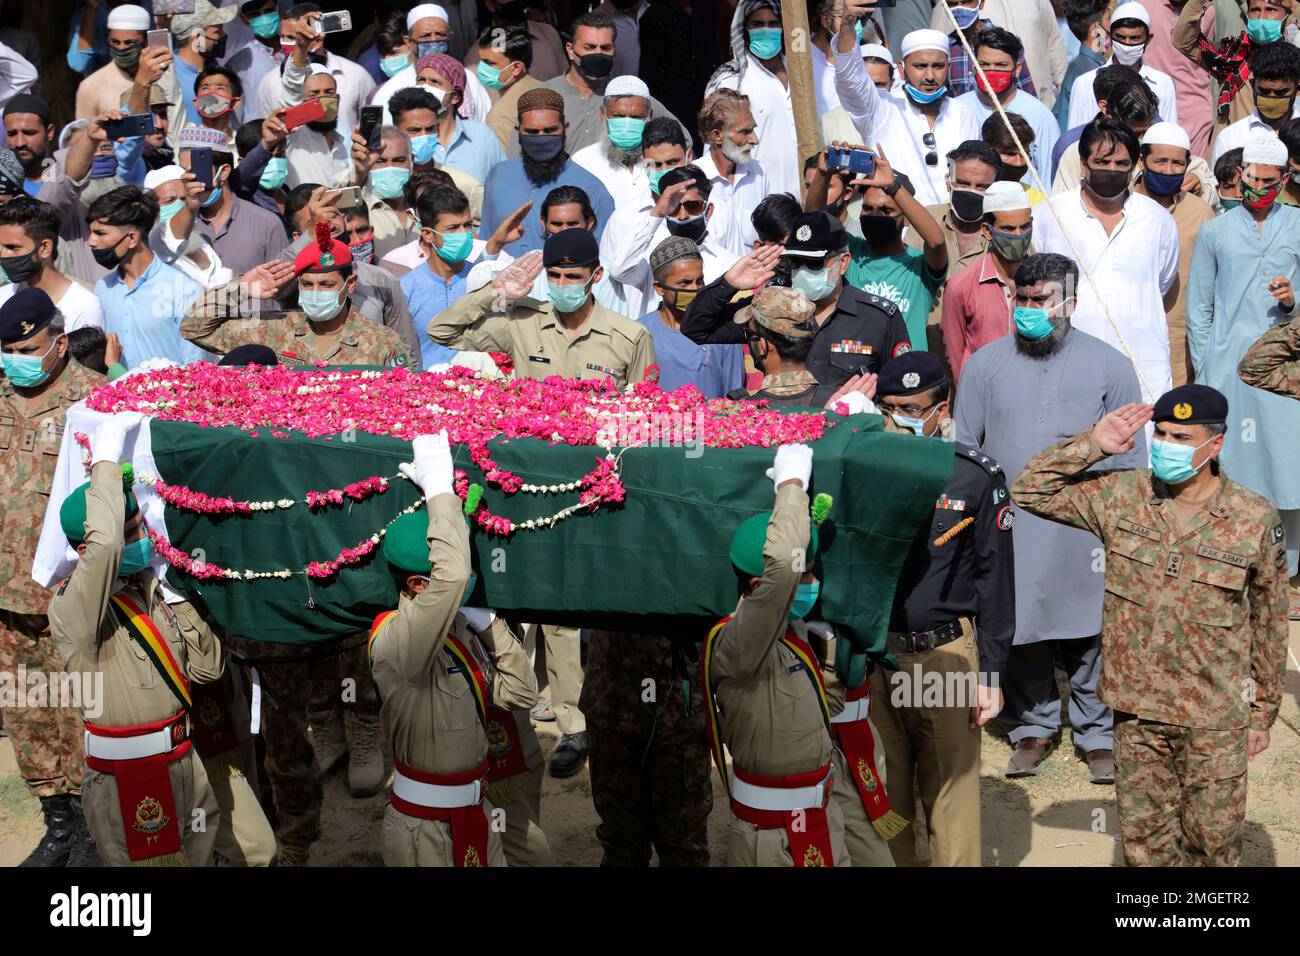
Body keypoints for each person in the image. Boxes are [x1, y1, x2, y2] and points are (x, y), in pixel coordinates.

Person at [1011, 386, 1288, 865]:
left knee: (1214, 842)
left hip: (1216, 715)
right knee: (1144, 843)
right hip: (1138, 711)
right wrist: (1094, 444)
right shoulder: (1124, 496)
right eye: (1159, 433)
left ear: (1215, 444)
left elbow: (1269, 620)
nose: (1164, 444)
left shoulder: (1253, 518)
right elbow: (1030, 489)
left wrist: (1261, 713)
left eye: (1181, 436)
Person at [956, 252, 1145, 780]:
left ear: (1071, 303)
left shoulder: (1110, 365)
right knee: (1019, 625)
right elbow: (967, 450)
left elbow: (1131, 462)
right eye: (1022, 298)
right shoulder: (984, 365)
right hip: (1009, 525)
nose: (1029, 309)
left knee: (1091, 629)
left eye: (1042, 300)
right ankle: (1034, 726)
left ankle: (1098, 733)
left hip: (1084, 531)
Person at [50, 412, 224, 866]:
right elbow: (106, 543)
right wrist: (105, 459)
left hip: (185, 761)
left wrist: (176, 594)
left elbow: (208, 668)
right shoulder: (74, 607)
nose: (141, 538)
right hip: (133, 776)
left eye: (141, 526)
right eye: (131, 533)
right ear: (86, 551)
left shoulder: (148, 588)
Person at [873, 350, 1015, 866]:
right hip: (875, 658)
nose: (900, 419)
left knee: (950, 803)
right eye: (889, 407)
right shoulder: (864, 466)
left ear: (943, 406)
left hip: (943, 657)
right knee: (882, 804)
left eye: (912, 407)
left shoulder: (973, 477)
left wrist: (993, 673)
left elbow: (995, 580)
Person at [369, 434, 536, 867]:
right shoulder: (397, 641)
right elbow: (455, 573)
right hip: (423, 829)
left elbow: (520, 694)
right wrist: (439, 488)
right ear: (417, 586)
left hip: (475, 812)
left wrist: (488, 624)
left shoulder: (459, 630)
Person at [703, 441, 849, 866]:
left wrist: (837, 658)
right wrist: (791, 484)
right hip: (771, 836)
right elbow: (784, 563)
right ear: (756, 589)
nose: (809, 582)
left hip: (821, 816)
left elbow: (820, 714)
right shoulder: (737, 644)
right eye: (805, 576)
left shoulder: (794, 633)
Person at [0, 289, 105, 867]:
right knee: (27, 712)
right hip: (5, 596)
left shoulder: (94, 406)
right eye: (7, 350)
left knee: (79, 708)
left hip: (69, 597)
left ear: (59, 342)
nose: (15, 359)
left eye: (26, 348)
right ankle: (57, 821)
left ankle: (93, 826)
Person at [1188, 132, 1300, 586]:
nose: (1258, 189)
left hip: (1282, 369)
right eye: (1252, 179)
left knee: (1287, 468)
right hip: (1227, 369)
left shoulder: (1297, 225)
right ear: (1239, 175)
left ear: (1285, 179)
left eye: (1269, 182)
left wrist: (1293, 300)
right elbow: (1199, 310)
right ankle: (1234, 570)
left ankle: (1287, 574)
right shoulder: (1214, 231)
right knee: (1235, 470)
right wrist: (1207, 373)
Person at [1032, 118, 1178, 403]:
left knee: (1140, 442)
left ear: (1135, 165)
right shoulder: (1049, 215)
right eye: (1102, 162)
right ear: (1084, 164)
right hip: (1066, 360)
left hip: (1142, 361)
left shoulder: (1157, 219)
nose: (1111, 170)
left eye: (1121, 164)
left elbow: (1162, 280)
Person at [682, 211, 912, 387]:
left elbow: (900, 387)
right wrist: (729, 284)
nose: (802, 271)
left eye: (813, 263)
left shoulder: (877, 318)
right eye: (794, 262)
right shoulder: (770, 305)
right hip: (784, 436)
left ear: (843, 263)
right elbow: (697, 330)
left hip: (848, 441)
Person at [429, 228, 654, 389]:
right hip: (534, 450)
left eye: (573, 277)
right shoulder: (522, 323)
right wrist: (495, 292)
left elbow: (642, 407)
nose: (562, 284)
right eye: (554, 275)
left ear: (596, 275)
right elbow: (441, 331)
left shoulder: (630, 337)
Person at [181, 223, 412, 367]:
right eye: (307, 284)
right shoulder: (274, 330)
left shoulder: (382, 343)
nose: (315, 292)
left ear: (350, 284)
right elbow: (194, 327)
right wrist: (240, 289)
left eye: (326, 284)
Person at [808, 149, 947, 354]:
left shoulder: (919, 266)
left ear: (907, 218)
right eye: (867, 208)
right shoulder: (851, 253)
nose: (874, 215)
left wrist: (892, 186)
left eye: (886, 210)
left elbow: (936, 241)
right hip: (856, 373)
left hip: (906, 374)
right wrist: (823, 173)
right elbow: (813, 222)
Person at [832, 22, 982, 207]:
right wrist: (848, 21)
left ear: (948, 67)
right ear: (902, 70)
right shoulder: (882, 108)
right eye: (920, 66)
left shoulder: (964, 115)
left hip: (952, 225)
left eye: (938, 66)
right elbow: (850, 78)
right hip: (898, 230)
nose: (930, 76)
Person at [478, 87, 616, 256]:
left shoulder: (592, 188)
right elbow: (486, 242)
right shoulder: (498, 176)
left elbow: (602, 257)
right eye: (532, 132)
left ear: (565, 128)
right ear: (518, 131)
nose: (541, 139)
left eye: (550, 131)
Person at [88, 184, 207, 369]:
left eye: (100, 233)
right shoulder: (103, 288)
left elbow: (196, 366)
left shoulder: (184, 290)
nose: (91, 241)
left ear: (132, 238)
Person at [1134, 123, 1214, 389]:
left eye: (1177, 164)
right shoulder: (1122, 206)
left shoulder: (1200, 213)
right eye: (1160, 161)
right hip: (1128, 330)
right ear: (1141, 161)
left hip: (1178, 342)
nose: (1168, 170)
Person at [541, 10, 681, 158]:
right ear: (570, 50)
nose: (598, 53)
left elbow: (681, 139)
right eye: (590, 47)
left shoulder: (628, 94)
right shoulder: (544, 96)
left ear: (614, 50)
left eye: (605, 48)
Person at [602, 166, 740, 303]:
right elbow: (619, 270)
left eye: (692, 206)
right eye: (673, 207)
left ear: (708, 211)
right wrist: (656, 213)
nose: (682, 216)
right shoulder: (649, 257)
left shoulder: (730, 265)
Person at [705, 1, 801, 197]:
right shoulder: (731, 80)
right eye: (758, 24)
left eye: (773, 23)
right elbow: (713, 147)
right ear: (745, 28)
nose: (767, 30)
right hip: (753, 195)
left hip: (803, 193)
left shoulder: (802, 73)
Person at [941, 181, 1034, 381]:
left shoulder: (1049, 282)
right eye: (1008, 229)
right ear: (987, 230)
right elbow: (955, 357)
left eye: (1025, 226)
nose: (1019, 236)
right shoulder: (961, 286)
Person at [637, 235, 743, 397]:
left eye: (699, 281)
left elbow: (735, 397)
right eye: (684, 283)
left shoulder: (723, 331)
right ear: (659, 288)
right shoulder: (640, 333)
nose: (695, 290)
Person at [1173, 0, 1295, 136]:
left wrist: (1296, 8)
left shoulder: (1295, 60)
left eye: (1270, 10)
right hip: (1229, 151)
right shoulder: (1231, 55)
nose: (1261, 17)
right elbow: (1183, 40)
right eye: (1255, 10)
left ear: (1287, 15)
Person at [956, 28, 1060, 186]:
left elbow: (1049, 178)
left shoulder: (1039, 115)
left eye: (1000, 65)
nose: (991, 71)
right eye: (984, 64)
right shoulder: (957, 110)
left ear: (1017, 69)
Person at [255, 5, 375, 135]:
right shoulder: (271, 81)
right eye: (282, 37)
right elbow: (265, 129)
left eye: (292, 38)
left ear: (317, 40)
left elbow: (372, 124)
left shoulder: (356, 75)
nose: (284, 43)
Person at [400, 185, 479, 369]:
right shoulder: (406, 288)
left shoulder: (483, 281)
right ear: (428, 235)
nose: (463, 234)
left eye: (467, 225)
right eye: (452, 228)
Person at [1066, 2, 1179, 128]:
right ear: (1110, 36)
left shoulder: (1163, 85)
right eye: (1121, 37)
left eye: (1135, 38)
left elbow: (1168, 138)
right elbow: (1075, 139)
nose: (1127, 44)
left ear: (1148, 39)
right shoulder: (1084, 84)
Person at [0, 198, 105, 331]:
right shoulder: (3, 297)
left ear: (44, 248)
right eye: (1, 247)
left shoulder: (84, 307)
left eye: (13, 247)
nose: (3, 254)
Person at [402, 53, 506, 186]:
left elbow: (501, 183)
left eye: (435, 82)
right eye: (421, 80)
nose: (425, 88)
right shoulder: (407, 135)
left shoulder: (481, 136)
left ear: (455, 96)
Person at [387, 91, 487, 226]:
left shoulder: (465, 185)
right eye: (414, 130)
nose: (424, 136)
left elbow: (484, 232)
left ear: (438, 129)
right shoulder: (384, 184)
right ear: (396, 132)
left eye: (430, 129)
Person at [639, 0, 724, 153]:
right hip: (672, 106)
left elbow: (712, 52)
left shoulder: (706, 9)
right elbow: (649, 68)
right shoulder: (654, 16)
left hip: (706, 100)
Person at [1136, 0, 1216, 158]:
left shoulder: (1209, 11)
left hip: (1195, 115)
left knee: (1190, 175)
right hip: (1151, 109)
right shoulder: (1144, 6)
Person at [695, 89, 768, 250]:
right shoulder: (693, 179)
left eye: (753, 129)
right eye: (745, 132)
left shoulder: (758, 172)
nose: (754, 140)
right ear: (717, 136)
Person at [571, 75, 655, 211]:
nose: (627, 124)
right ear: (602, 114)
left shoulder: (662, 161)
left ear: (649, 116)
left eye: (636, 117)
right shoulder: (582, 162)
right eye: (618, 116)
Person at [1210, 41, 1300, 163]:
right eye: (1264, 91)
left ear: (1297, 88)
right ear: (1253, 86)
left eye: (1281, 93)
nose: (1271, 98)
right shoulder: (1230, 138)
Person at [942, 0, 1041, 101]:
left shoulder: (1006, 42)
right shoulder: (944, 50)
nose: (960, 9)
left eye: (966, 2)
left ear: (981, 3)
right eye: (952, 4)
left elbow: (1027, 93)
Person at [72, 3, 151, 121]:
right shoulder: (91, 86)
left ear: (145, 41)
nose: (122, 48)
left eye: (130, 43)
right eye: (115, 42)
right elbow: (83, 136)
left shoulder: (161, 76)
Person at [169, 0, 240, 128]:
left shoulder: (214, 67)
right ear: (197, 38)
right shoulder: (169, 73)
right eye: (217, 32)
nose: (223, 35)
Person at [478, 24, 542, 150]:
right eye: (481, 60)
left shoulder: (501, 115)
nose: (482, 67)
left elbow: (503, 164)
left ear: (516, 68)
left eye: (490, 63)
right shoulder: (547, 88)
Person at [1053, 0, 1111, 132]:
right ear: (1097, 28)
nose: (1111, 27)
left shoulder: (1078, 65)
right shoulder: (1089, 72)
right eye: (1109, 19)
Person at [226, 0, 286, 126]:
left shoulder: (296, 50)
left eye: (268, 11)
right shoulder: (238, 64)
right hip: (260, 137)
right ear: (244, 19)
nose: (264, 18)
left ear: (279, 9)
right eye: (255, 14)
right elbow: (237, 114)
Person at [983, 111, 1048, 206]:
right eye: (1010, 154)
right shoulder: (974, 195)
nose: (1018, 163)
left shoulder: (1038, 202)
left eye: (1025, 154)